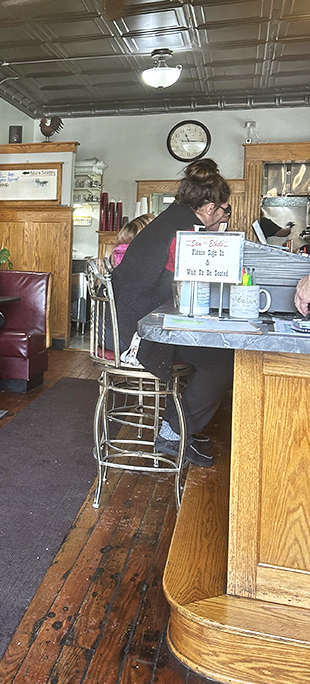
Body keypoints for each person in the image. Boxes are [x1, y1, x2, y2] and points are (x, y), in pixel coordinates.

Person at [111, 159, 234, 466]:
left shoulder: (170, 220)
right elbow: (186, 287)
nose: (222, 216)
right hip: (140, 333)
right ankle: (174, 433)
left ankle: (183, 424)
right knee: (222, 358)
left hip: (133, 321)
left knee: (213, 353)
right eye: (222, 210)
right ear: (208, 208)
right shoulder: (186, 232)